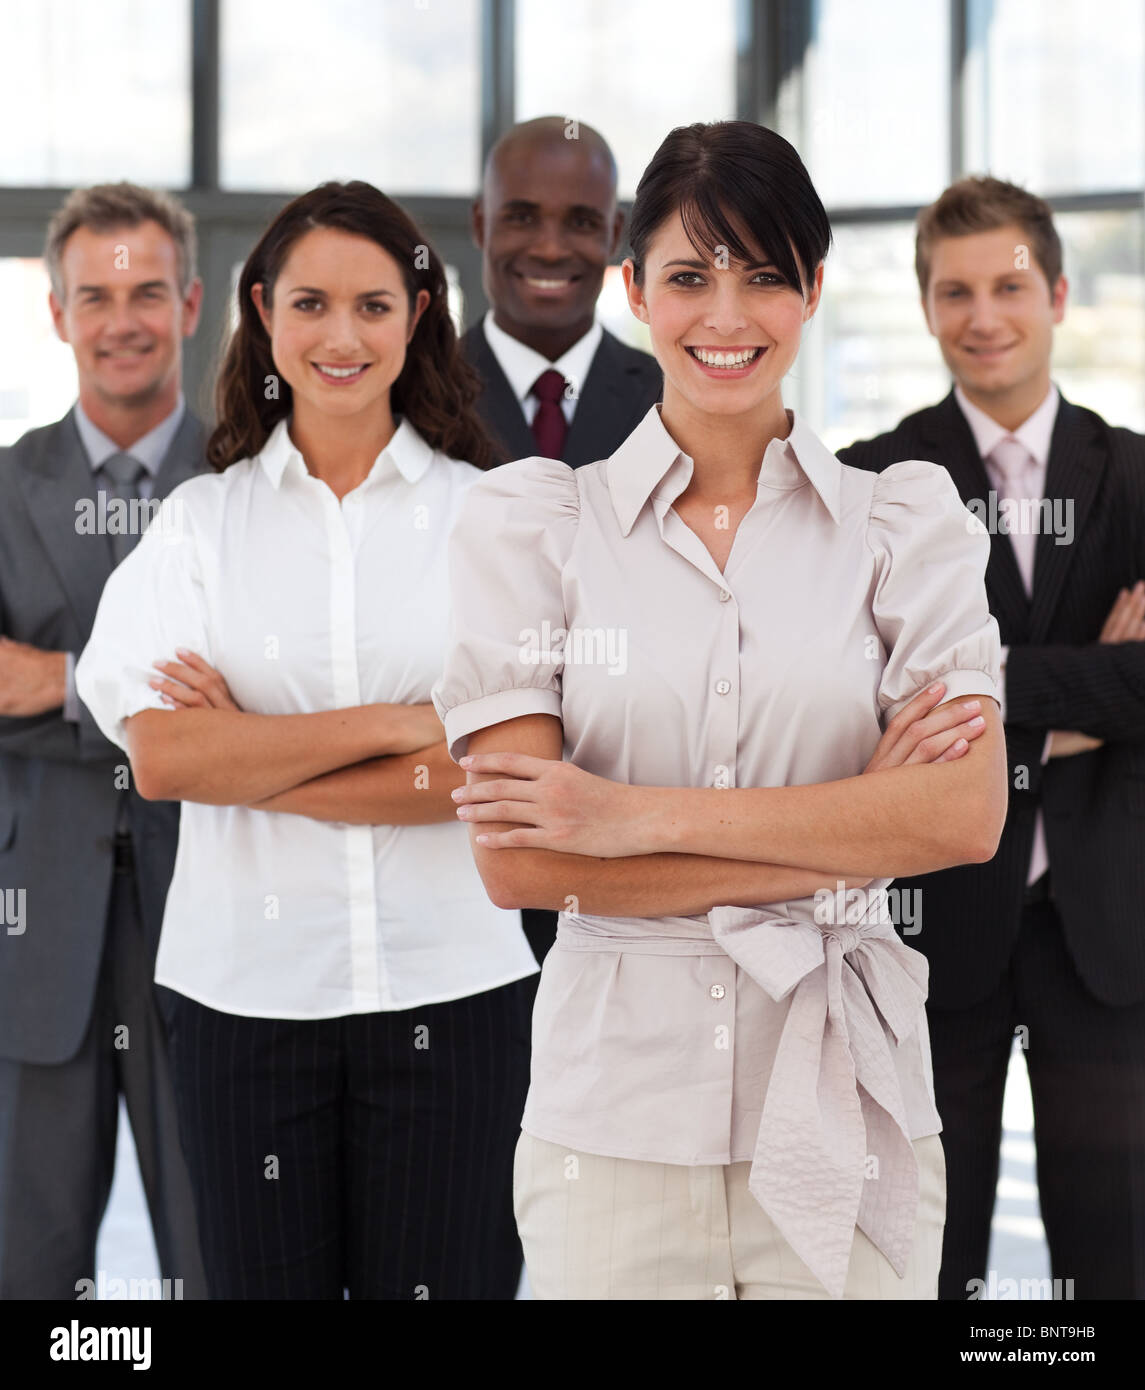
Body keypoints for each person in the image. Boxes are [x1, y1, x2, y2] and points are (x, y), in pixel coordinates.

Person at [433, 120, 1008, 1301]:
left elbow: (960, 817)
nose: (724, 314)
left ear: (809, 288)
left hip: (851, 1109)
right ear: (633, 287)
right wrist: (851, 824)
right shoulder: (532, 525)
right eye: (689, 276)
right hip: (611, 1125)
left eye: (760, 274)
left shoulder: (904, 522)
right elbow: (521, 865)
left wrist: (622, 817)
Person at [76, 181, 538, 1299]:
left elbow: (484, 773)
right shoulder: (200, 525)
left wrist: (254, 749)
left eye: (373, 305)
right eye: (312, 303)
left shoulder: (494, 517)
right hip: (245, 1008)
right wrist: (394, 725)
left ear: (418, 315)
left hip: (455, 996)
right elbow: (167, 760)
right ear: (262, 314)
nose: (341, 335)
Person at [837, 176, 1145, 1300]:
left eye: (1007, 285)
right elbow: (870, 702)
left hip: (1105, 929)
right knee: (928, 1249)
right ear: (923, 307)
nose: (982, 314)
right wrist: (1089, 703)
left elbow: (937, 702)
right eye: (953, 290)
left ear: (1056, 293)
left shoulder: (1135, 476)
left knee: (1111, 1258)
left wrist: (971, 699)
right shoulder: (872, 482)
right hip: (933, 930)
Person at [464, 112, 663, 1294]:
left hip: (628, 867)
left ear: (617, 239)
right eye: (523, 217)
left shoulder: (678, 389)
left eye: (580, 221)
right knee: (460, 1224)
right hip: (447, 886)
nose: (551, 244)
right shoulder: (397, 380)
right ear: (479, 228)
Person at [0, 182, 207, 1299]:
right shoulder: (1, 485)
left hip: (217, 920)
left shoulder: (249, 479)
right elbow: (186, 713)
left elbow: (251, 708)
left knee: (215, 1256)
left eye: (143, 292)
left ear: (189, 301)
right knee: (27, 1271)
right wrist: (143, 704)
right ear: (56, 311)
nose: (119, 318)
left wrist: (54, 684)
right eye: (95, 296)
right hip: (34, 925)